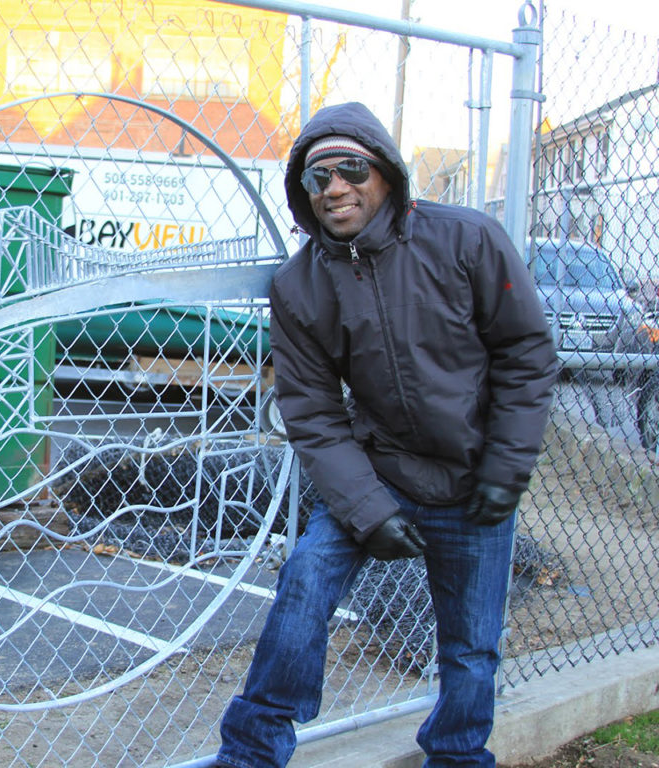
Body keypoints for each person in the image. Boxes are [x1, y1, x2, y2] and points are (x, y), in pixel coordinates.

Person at [215, 102, 557, 768]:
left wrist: (504, 471)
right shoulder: (301, 284)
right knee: (305, 584)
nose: (335, 188)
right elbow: (312, 412)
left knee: (471, 645)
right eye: (318, 178)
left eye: (351, 170)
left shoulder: (467, 240)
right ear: (303, 192)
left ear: (386, 175)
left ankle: (458, 757)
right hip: (379, 478)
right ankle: (251, 754)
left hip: (474, 480)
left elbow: (525, 353)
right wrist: (368, 511)